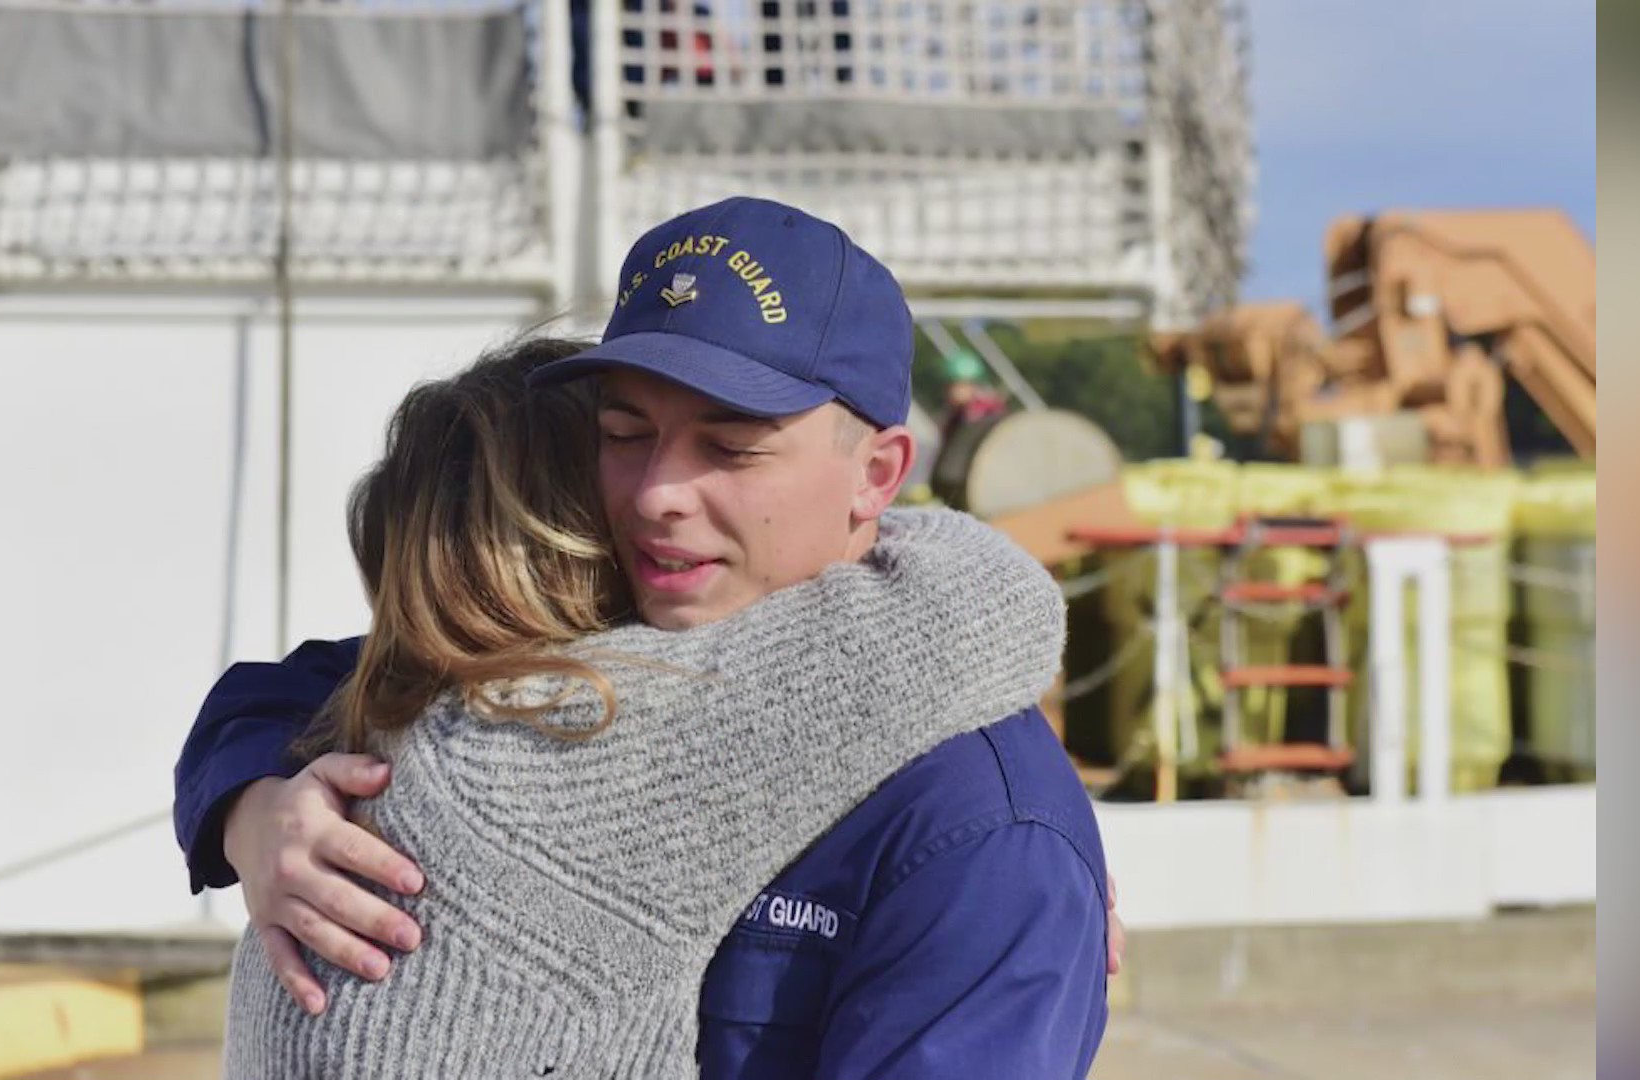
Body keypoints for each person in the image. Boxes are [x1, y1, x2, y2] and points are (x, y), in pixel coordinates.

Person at [178, 196, 1117, 1077]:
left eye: (731, 446)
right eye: (626, 434)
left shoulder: (977, 831)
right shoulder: (611, 651)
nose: (657, 493)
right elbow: (324, 679)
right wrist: (256, 805)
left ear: (878, 473)